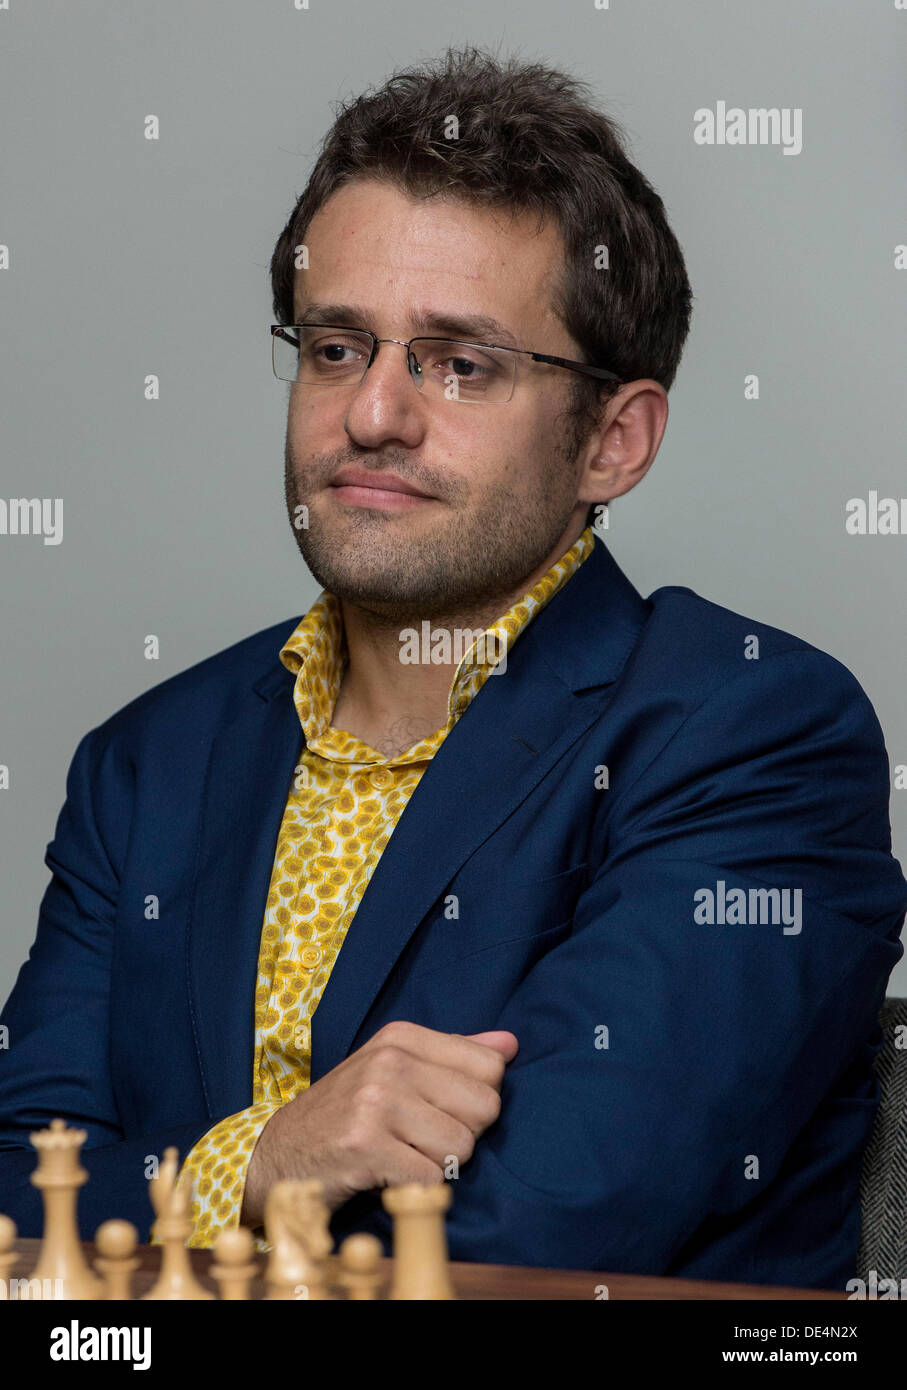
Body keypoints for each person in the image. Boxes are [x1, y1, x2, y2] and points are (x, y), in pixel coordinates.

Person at [1, 45, 904, 1290]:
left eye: (460, 362)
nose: (373, 413)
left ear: (613, 439)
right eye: (335, 348)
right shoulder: (146, 760)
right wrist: (259, 1161)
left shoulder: (748, 730)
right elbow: (16, 1193)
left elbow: (536, 1235)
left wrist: (157, 1205)